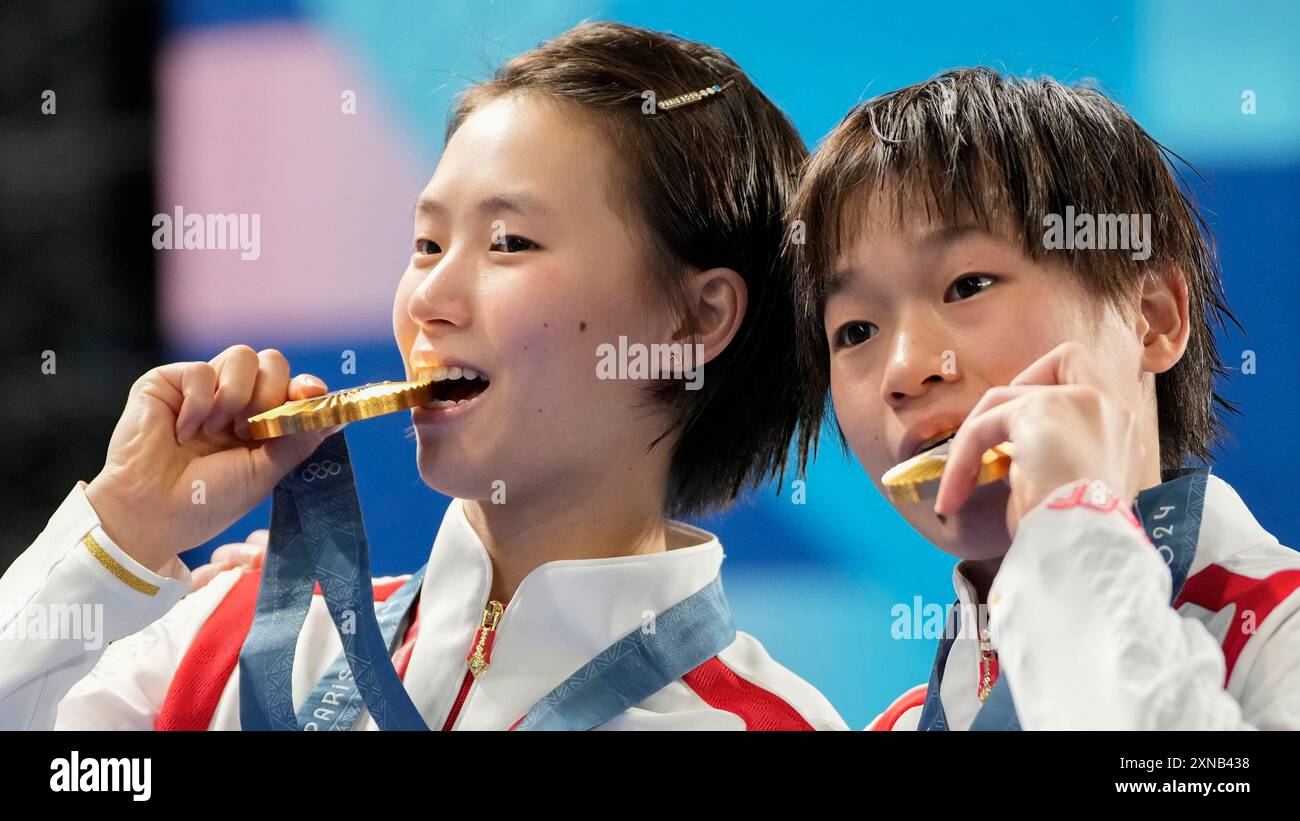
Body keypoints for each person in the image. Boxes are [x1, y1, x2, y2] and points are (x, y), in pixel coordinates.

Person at [0, 22, 844, 731]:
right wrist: (124, 528)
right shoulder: (235, 645)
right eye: (427, 244)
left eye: (509, 242)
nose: (429, 298)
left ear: (694, 321)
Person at [788, 67, 1300, 730]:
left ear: (1153, 315)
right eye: (856, 330)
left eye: (968, 284)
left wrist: (1075, 529)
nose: (907, 368)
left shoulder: (1279, 631)